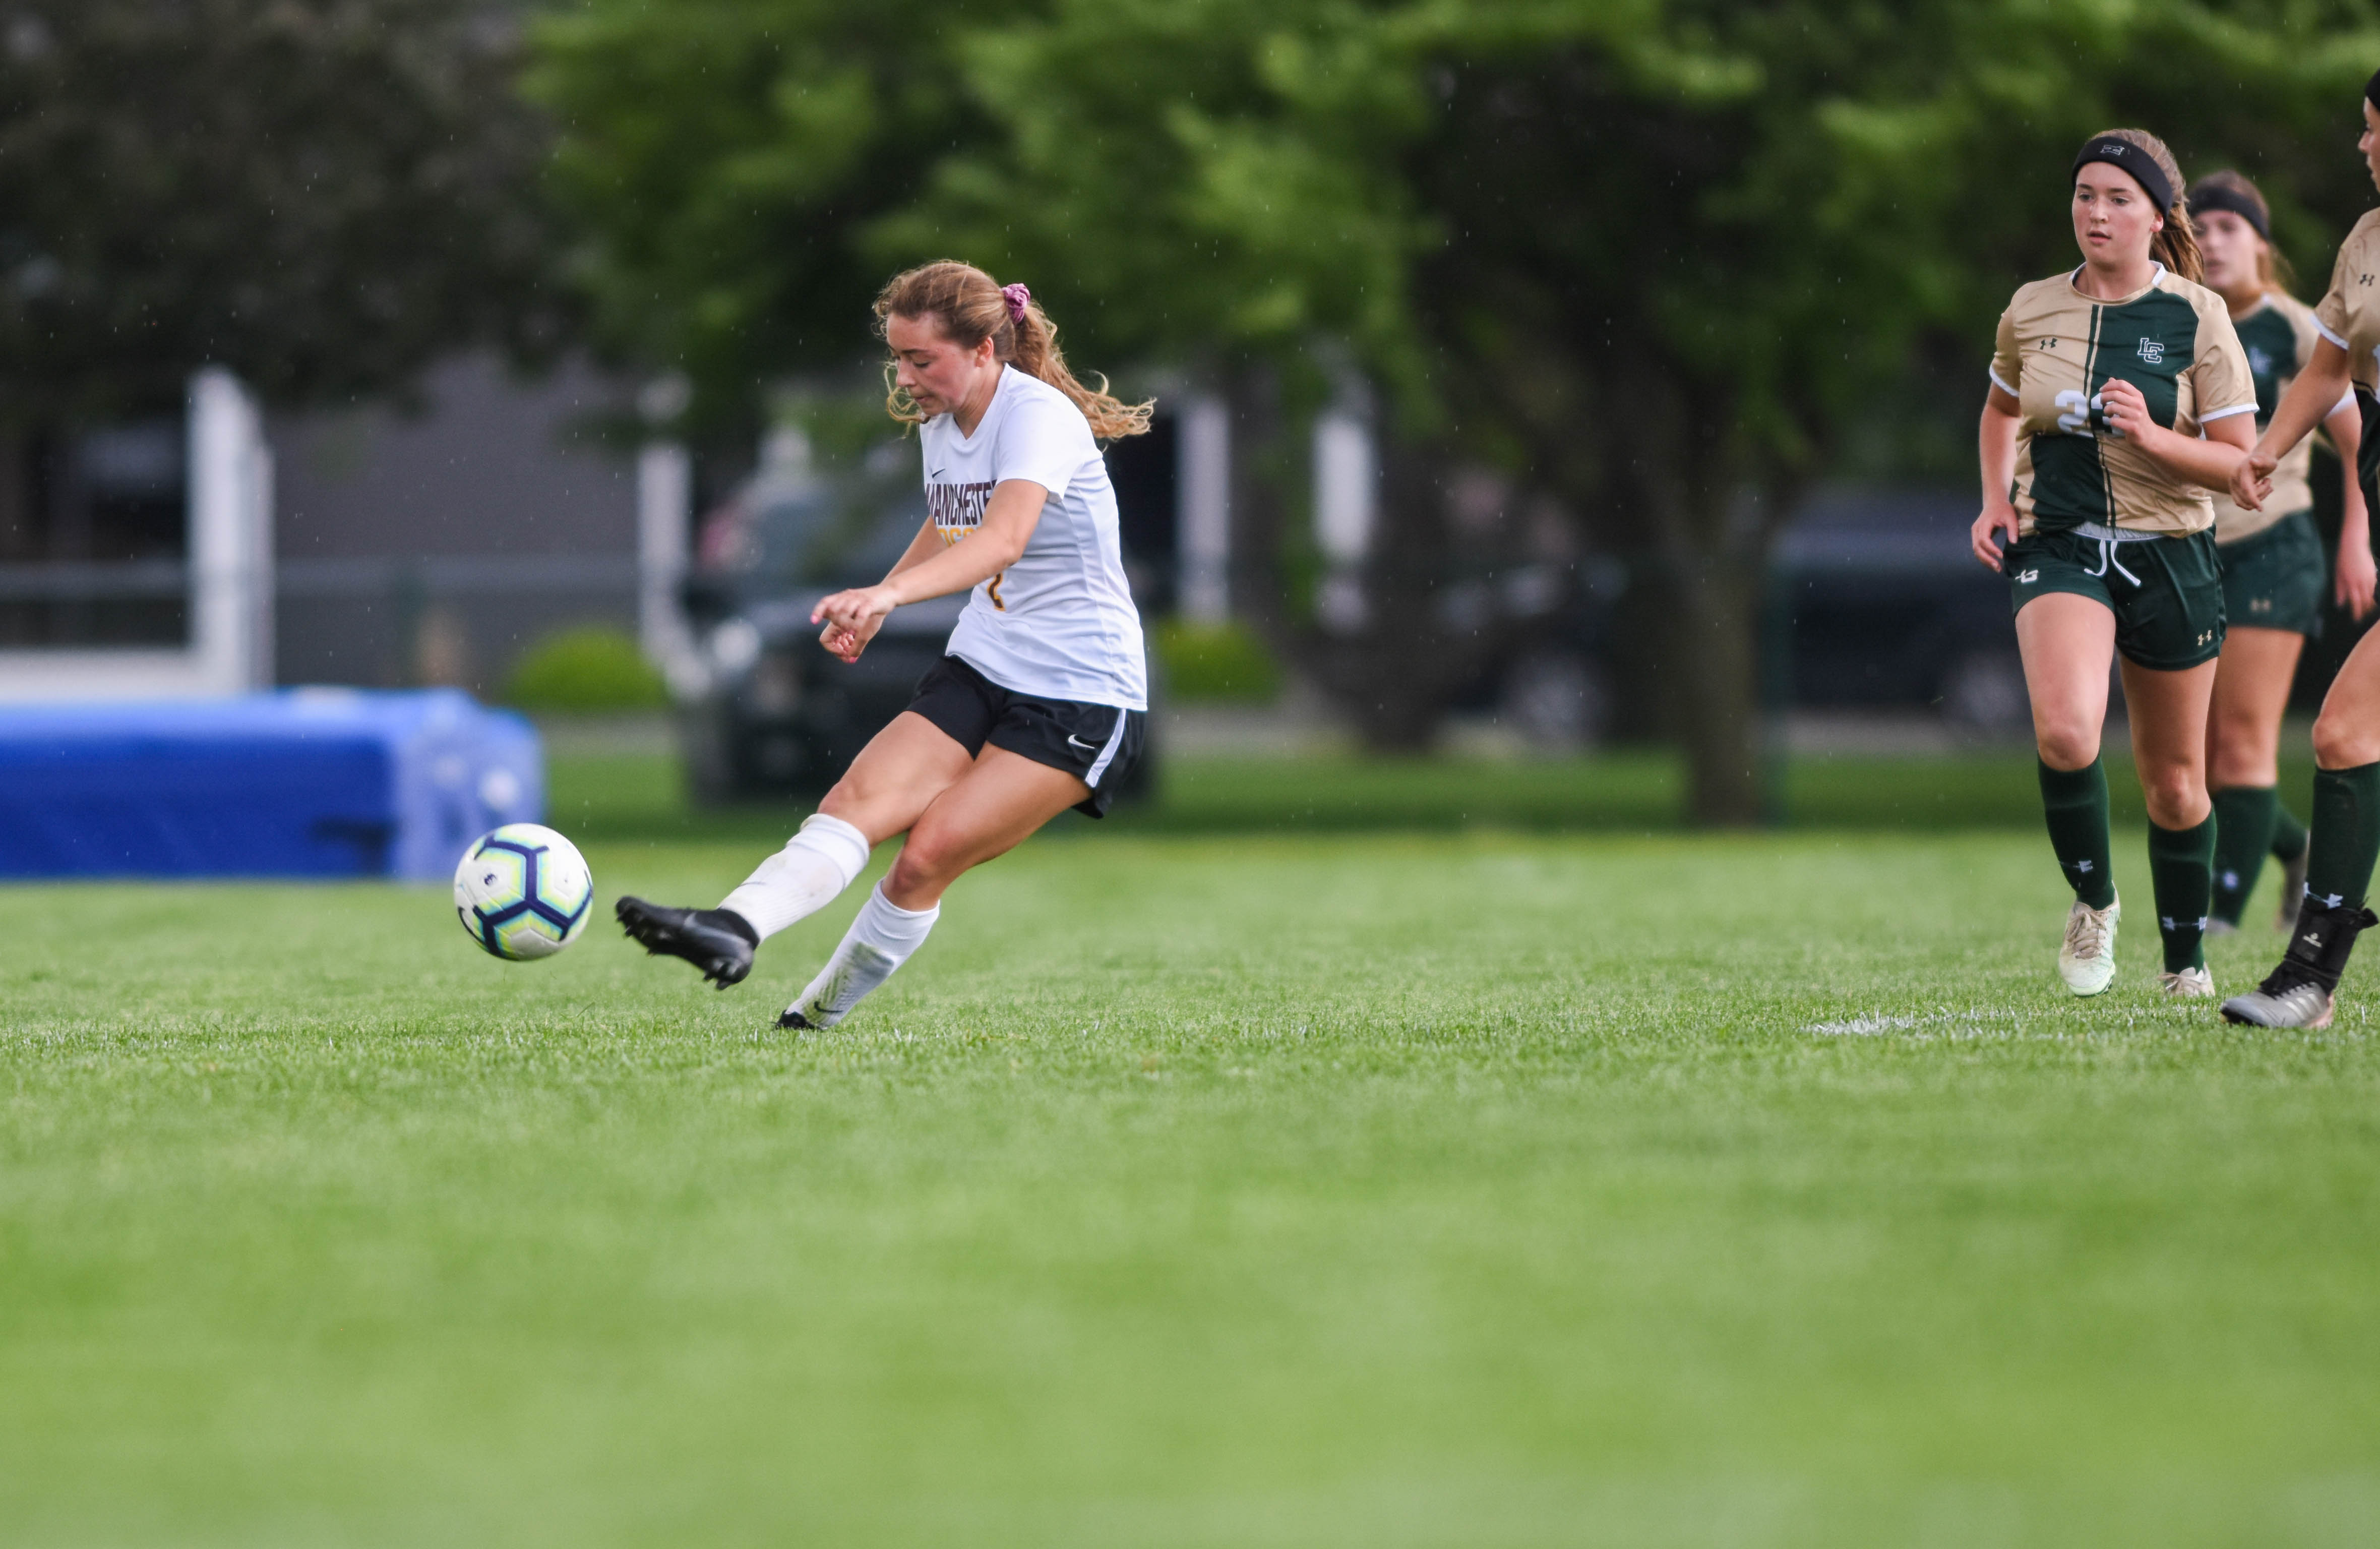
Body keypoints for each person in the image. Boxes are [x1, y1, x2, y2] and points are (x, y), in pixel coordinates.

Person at [615, 261, 1154, 1029]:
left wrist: (890, 594)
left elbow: (1002, 539)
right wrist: (880, 602)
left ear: (981, 350)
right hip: (983, 662)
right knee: (853, 804)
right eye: (897, 358)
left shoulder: (1038, 417)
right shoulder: (943, 421)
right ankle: (730, 928)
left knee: (926, 853)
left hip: (1081, 692)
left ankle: (812, 1019)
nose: (905, 378)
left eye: (921, 359)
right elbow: (950, 522)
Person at [1970, 129, 2257, 1000]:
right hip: (2058, 543)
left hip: (2171, 554)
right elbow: (1997, 408)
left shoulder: (2197, 316)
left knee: (2175, 787)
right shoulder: (2029, 306)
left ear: (2157, 216)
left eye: (2116, 198)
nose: (2094, 212)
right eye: (2084, 194)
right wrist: (1991, 499)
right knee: (2065, 732)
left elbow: (2240, 466)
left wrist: (2153, 435)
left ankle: (2184, 959)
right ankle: (2093, 903)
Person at [2223, 74, 2380, 1029]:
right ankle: (2307, 985)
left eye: (2373, 131)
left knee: (2343, 734)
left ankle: (2307, 981)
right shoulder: (2364, 241)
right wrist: (2265, 451)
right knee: (2348, 736)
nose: (2362, 147)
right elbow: (2326, 368)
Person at [2188, 170, 2375, 936]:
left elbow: (2359, 441)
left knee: (2242, 748)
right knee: (2194, 764)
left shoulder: (2298, 328)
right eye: (2197, 229)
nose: (2210, 241)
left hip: (2276, 545)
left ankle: (2219, 917)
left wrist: (2357, 539)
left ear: (2262, 244)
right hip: (2195, 548)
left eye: (2228, 227)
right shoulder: (2179, 322)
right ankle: (2294, 847)